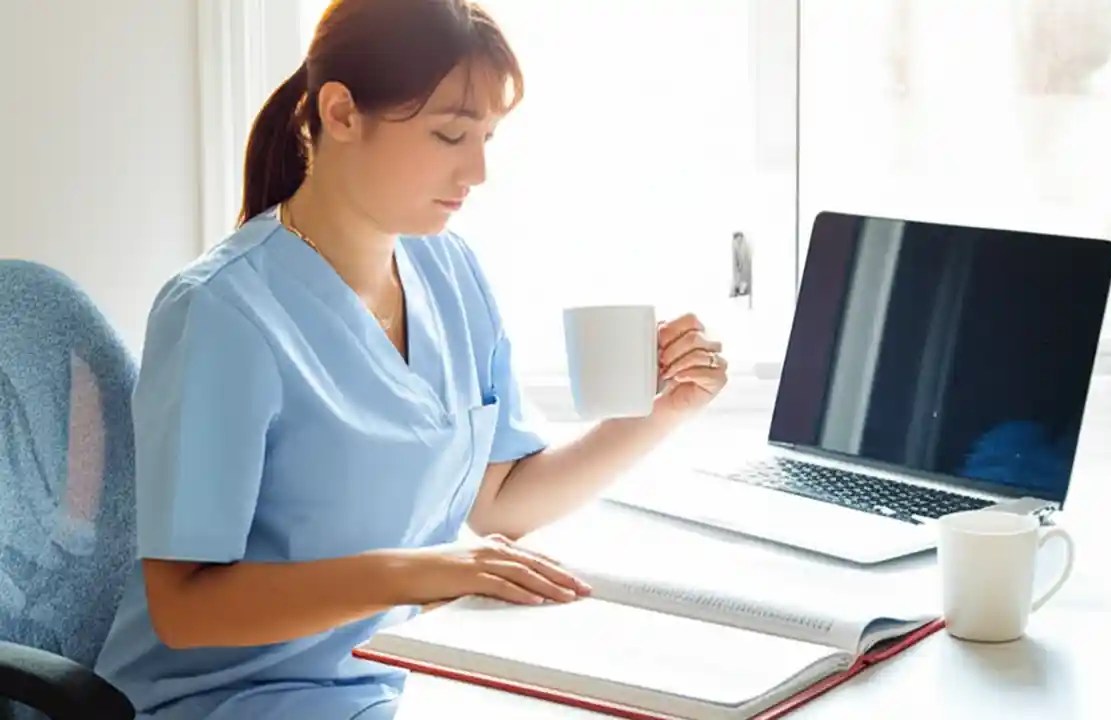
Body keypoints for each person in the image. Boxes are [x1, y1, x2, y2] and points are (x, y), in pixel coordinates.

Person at [92, 1, 728, 717]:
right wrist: (418, 573)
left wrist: (663, 411)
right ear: (340, 113)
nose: (479, 169)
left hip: (390, 681)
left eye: (487, 136)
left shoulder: (449, 271)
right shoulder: (220, 314)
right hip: (228, 701)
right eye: (451, 134)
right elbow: (186, 610)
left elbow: (502, 502)